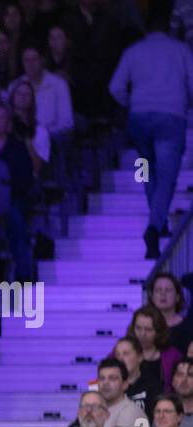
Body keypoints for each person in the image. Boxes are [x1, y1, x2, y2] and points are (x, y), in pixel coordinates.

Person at [109, 5, 193, 258]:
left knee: (146, 170)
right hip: (171, 118)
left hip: (140, 121)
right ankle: (155, 227)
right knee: (166, 177)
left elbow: (115, 87)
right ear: (169, 27)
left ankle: (159, 222)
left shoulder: (133, 52)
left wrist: (132, 103)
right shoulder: (181, 50)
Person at [95, 358, 147, 427]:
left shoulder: (132, 412)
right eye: (102, 378)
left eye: (112, 378)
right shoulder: (93, 410)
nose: (105, 383)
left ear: (125, 385)